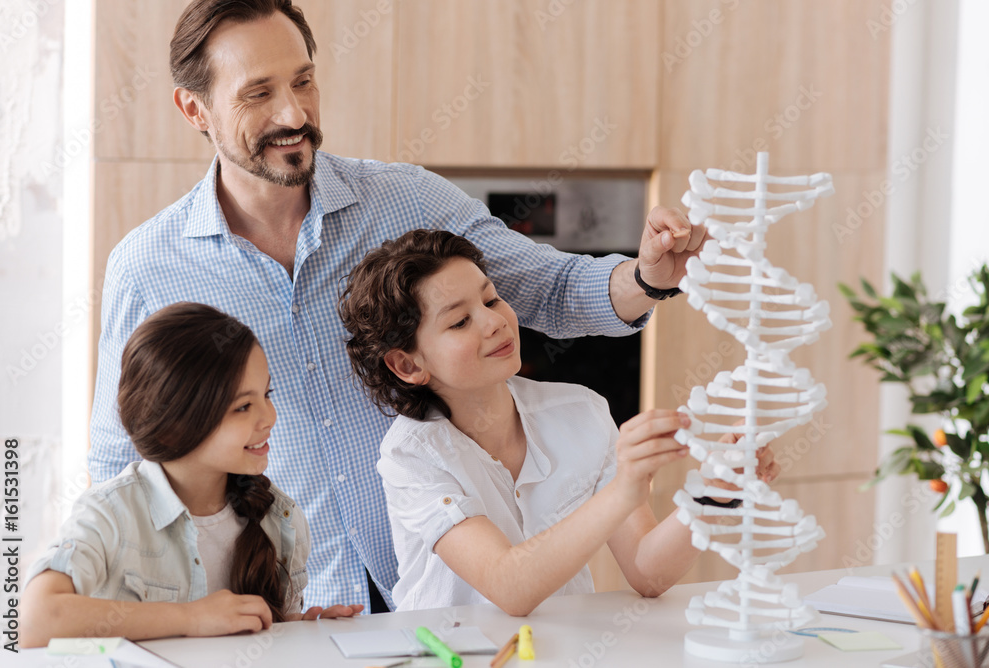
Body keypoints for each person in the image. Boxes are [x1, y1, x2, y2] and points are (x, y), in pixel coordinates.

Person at [88, 0, 705, 613]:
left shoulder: (406, 199)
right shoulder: (148, 267)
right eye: (258, 94)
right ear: (194, 108)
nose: (294, 112)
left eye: (304, 80)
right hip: (291, 611)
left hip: (453, 593)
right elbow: (123, 464)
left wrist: (648, 277)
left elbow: (549, 287)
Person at [338, 230, 779, 613]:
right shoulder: (411, 456)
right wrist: (624, 488)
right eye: (459, 321)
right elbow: (508, 586)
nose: (495, 322)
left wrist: (713, 494)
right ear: (408, 364)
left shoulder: (579, 412)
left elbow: (649, 573)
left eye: (491, 299)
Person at [21, 304, 362, 647]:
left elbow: (258, 641)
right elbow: (36, 621)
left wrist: (303, 631)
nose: (269, 417)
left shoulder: (280, 518)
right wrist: (191, 618)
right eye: (243, 406)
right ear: (174, 426)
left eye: (267, 394)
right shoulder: (111, 515)